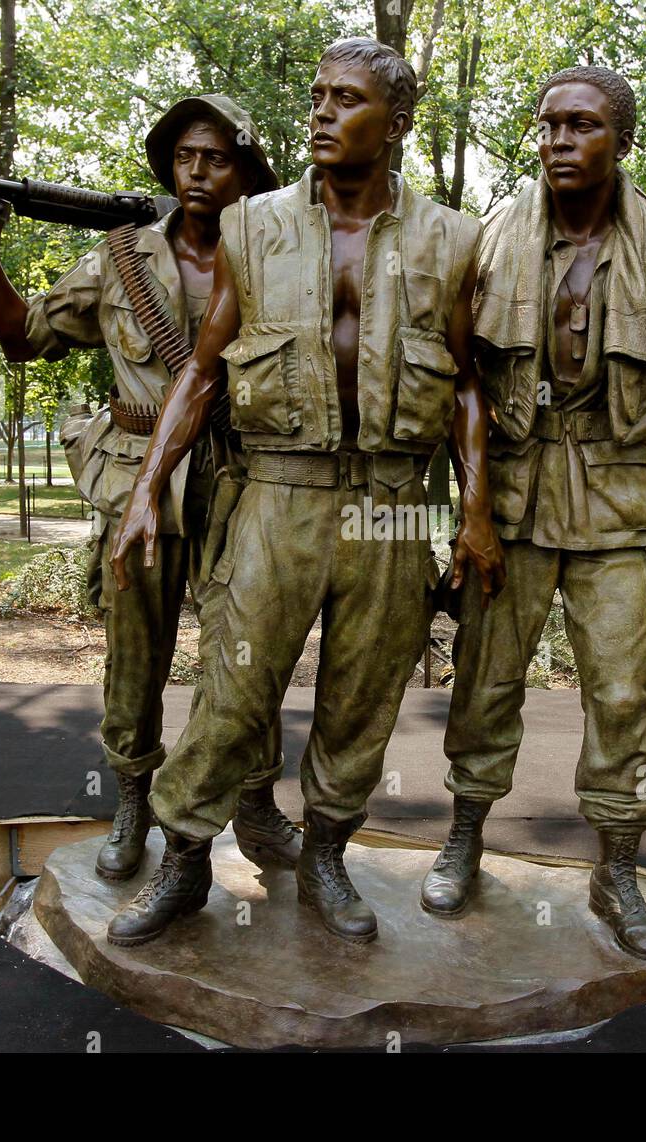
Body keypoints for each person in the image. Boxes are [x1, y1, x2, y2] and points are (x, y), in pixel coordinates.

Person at [105, 37, 506, 947]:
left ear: (397, 124)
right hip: (280, 496)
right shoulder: (254, 228)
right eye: (318, 95)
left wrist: (474, 513)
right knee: (233, 694)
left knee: (364, 697)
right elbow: (203, 373)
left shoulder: (452, 238)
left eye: (347, 99)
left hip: (395, 502)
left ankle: (327, 854)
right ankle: (185, 863)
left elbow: (468, 383)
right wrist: (146, 488)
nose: (322, 112)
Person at [418, 66, 646, 961]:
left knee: (621, 695)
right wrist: (473, 511)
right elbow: (461, 383)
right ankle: (464, 837)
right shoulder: (488, 237)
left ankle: (615, 870)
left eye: (579, 126)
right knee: (486, 682)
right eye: (545, 126)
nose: (556, 141)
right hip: (515, 503)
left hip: (617, 506)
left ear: (621, 140)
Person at [0, 95, 301, 885]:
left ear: (247, 169)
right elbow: (22, 338)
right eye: (184, 158)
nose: (199, 172)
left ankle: (253, 800)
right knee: (134, 659)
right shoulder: (122, 259)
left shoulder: (280, 258)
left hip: (244, 483)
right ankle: (135, 802)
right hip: (139, 477)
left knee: (248, 658)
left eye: (217, 157)